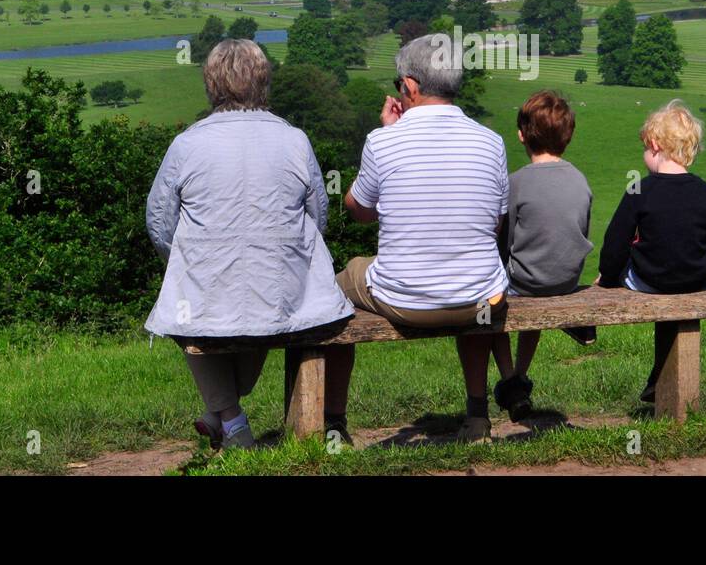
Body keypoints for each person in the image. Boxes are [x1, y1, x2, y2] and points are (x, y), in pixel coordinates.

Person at [144, 39, 353, 450]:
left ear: (211, 83)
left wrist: (185, 262)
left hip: (209, 288)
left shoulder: (186, 144)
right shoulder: (295, 140)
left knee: (188, 311)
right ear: (263, 80)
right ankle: (231, 418)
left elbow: (158, 222)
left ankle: (229, 421)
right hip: (280, 286)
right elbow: (319, 217)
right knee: (258, 313)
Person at [326, 34, 509, 444]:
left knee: (333, 289)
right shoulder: (491, 142)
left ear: (410, 87)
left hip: (404, 299)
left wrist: (388, 131)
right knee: (475, 282)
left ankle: (333, 422)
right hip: (479, 300)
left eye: (399, 87)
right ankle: (477, 417)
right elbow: (493, 225)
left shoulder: (382, 142)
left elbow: (356, 210)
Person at [597, 99, 706, 404]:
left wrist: (608, 278)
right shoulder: (705, 191)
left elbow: (615, 242)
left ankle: (659, 379)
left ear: (654, 145)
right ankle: (659, 378)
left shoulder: (640, 189)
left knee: (636, 270)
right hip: (693, 279)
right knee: (671, 284)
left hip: (650, 282)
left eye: (645, 150)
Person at [490, 90, 594, 421]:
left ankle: (509, 379)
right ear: (568, 135)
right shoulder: (580, 180)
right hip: (565, 280)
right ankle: (521, 373)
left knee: (490, 299)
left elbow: (502, 242)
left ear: (522, 134)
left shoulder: (516, 182)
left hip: (526, 282)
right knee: (531, 281)